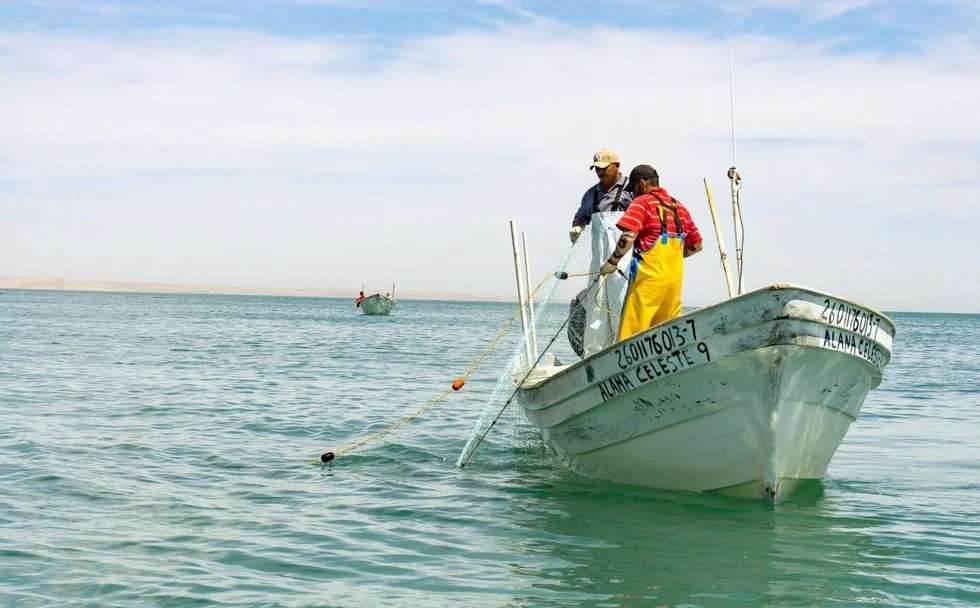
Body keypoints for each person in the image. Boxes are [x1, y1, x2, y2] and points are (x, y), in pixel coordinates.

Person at [600, 164, 703, 340]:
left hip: (647, 287)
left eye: (633, 190)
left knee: (631, 338)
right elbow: (697, 245)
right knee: (666, 338)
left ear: (641, 184)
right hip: (673, 287)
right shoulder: (679, 207)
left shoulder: (642, 202)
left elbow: (629, 235)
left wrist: (611, 262)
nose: (633, 194)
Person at [569, 148, 633, 243]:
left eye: (604, 168)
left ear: (617, 166)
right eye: (597, 168)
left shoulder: (632, 188)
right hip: (600, 255)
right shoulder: (591, 194)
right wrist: (577, 228)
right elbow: (580, 218)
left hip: (628, 253)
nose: (600, 172)